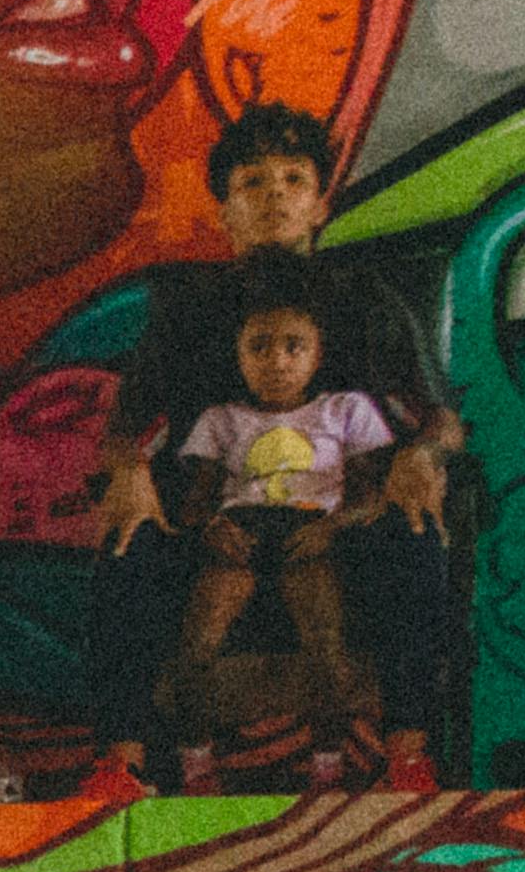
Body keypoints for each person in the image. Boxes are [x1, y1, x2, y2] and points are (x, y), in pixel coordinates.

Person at [84, 105, 464, 772]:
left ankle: (409, 753)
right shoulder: (189, 308)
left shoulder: (364, 295)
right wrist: (129, 471)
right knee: (128, 540)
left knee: (417, 532)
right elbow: (124, 428)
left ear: (320, 205)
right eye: (253, 182)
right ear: (224, 210)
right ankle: (125, 763)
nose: (275, 195)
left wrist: (421, 454)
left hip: (344, 513)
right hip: (211, 514)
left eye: (293, 179)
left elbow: (440, 416)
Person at [151, 267, 400, 776]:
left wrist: (330, 530)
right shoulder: (221, 418)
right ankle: (196, 762)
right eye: (260, 348)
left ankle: (327, 766)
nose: (277, 362)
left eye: (294, 347)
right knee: (197, 645)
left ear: (318, 353)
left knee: (326, 650)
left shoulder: (343, 410)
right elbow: (196, 500)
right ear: (239, 356)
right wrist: (210, 528)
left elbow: (370, 494)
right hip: (239, 530)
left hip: (311, 532)